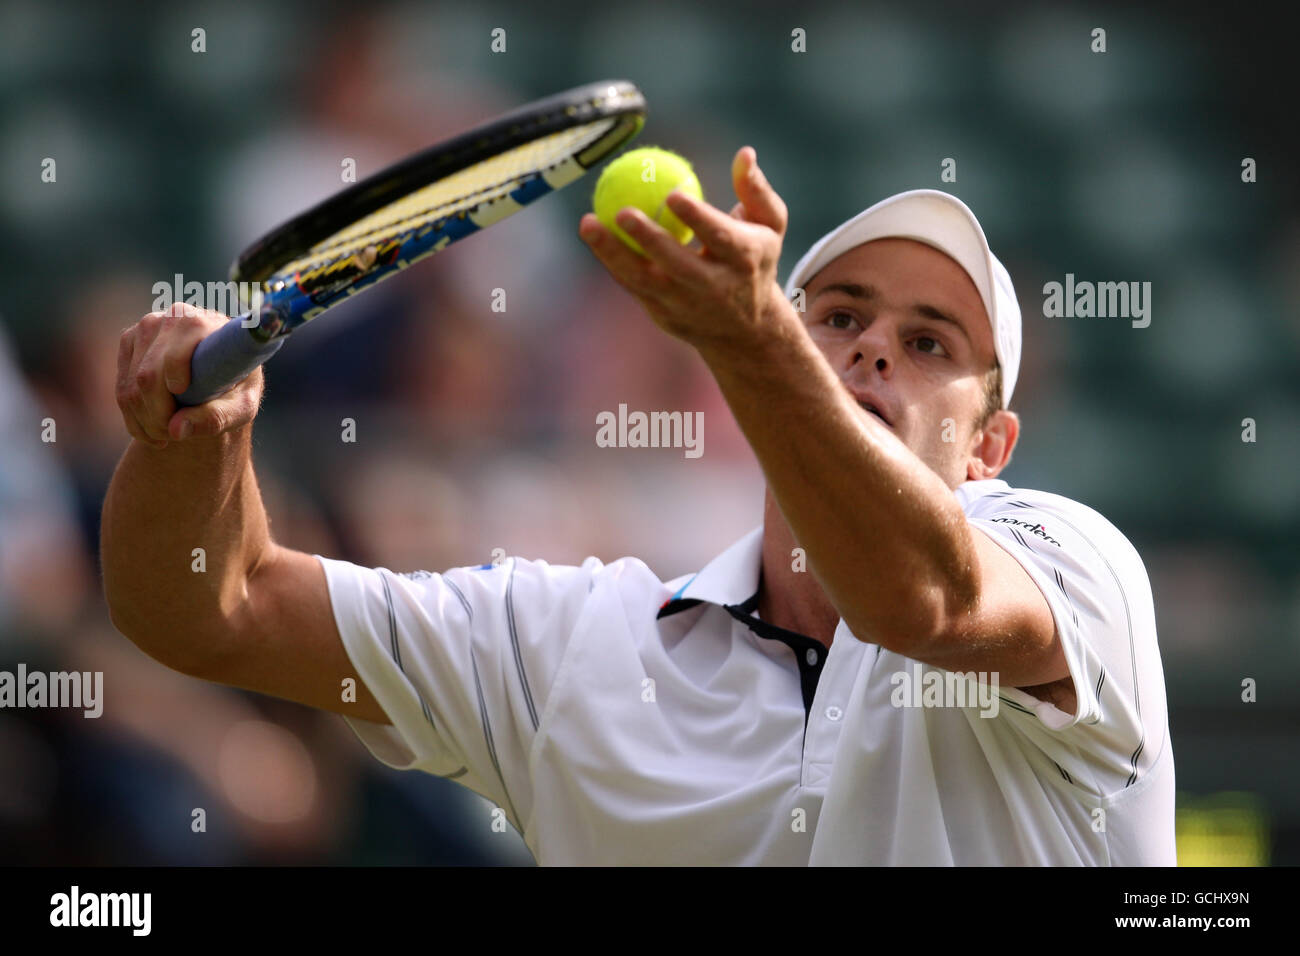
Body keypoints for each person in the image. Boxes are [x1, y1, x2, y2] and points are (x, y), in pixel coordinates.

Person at [103, 146, 1175, 865]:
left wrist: (755, 341)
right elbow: (214, 608)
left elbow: (922, 599)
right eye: (838, 314)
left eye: (930, 339)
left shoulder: (1076, 563)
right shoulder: (572, 642)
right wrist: (195, 439)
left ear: (991, 447)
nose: (875, 344)